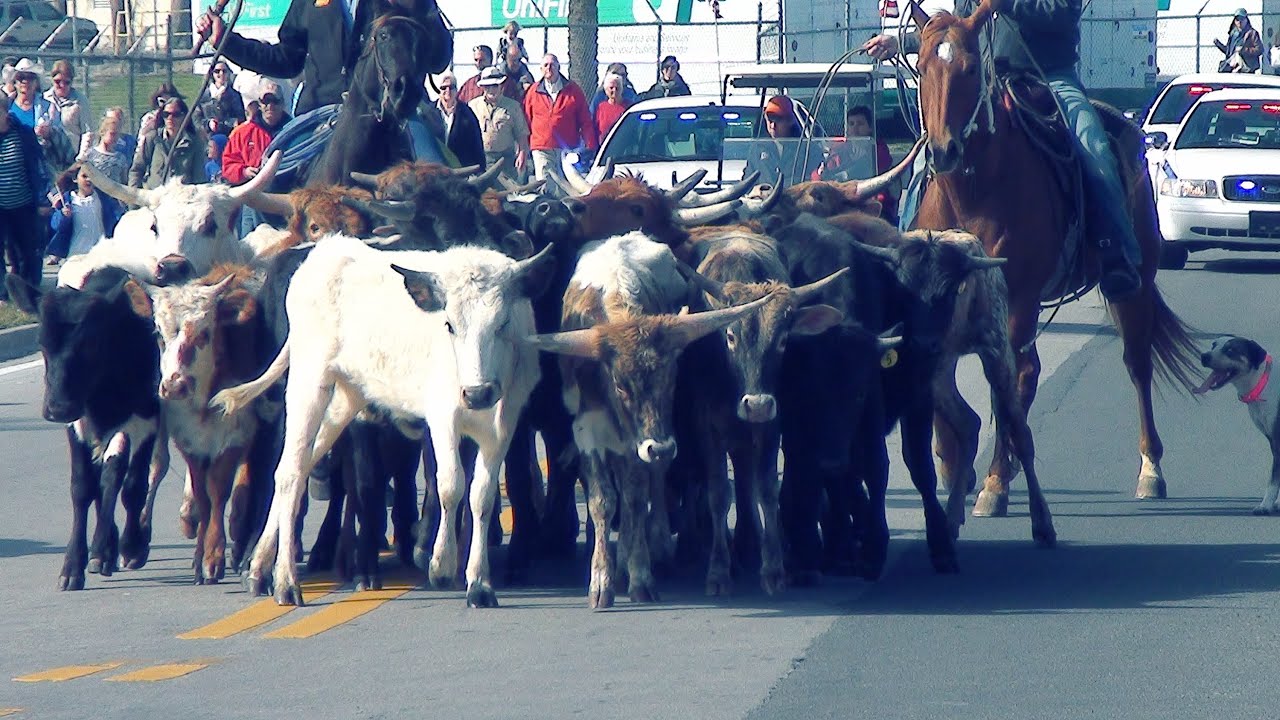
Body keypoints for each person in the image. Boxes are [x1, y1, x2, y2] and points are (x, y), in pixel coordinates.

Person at [862, 0, 1142, 301]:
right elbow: (960, 29)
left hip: (1052, 78)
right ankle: (906, 251)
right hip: (987, 77)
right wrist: (901, 42)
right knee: (924, 159)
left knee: (1093, 145)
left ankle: (1115, 251)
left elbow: (1063, 11)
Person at [193, 0, 452, 118]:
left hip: (393, 115)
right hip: (320, 114)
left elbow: (439, 60)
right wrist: (225, 41)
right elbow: (286, 59)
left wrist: (419, 7)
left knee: (440, 185)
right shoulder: (308, 3)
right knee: (265, 189)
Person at [0, 93, 52, 300]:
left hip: (24, 204)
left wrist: (42, 199)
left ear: (5, 113)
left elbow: (38, 167)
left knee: (27, 251)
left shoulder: (22, 134)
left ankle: (28, 291)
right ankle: (3, 294)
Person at [524, 54, 596, 185]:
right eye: (545, 65)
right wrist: (525, 146)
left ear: (559, 67)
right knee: (544, 185)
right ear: (540, 69)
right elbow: (527, 119)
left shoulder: (573, 90)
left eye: (552, 65)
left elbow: (585, 120)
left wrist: (590, 145)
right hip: (541, 147)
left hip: (567, 149)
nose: (549, 68)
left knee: (567, 185)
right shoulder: (533, 91)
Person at [816, 105, 898, 220]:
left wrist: (843, 174)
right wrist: (822, 173)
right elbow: (826, 171)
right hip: (842, 202)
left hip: (872, 202)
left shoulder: (879, 149)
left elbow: (875, 167)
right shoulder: (839, 150)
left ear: (870, 128)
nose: (855, 128)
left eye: (860, 124)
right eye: (851, 124)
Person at [46, 163, 122, 264]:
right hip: (75, 254)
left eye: (92, 176)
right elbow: (55, 225)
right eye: (84, 176)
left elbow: (116, 219)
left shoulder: (103, 199)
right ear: (75, 178)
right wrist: (64, 216)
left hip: (100, 254)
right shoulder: (67, 200)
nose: (89, 180)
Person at [9, 60, 74, 172]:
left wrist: (49, 133)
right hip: (12, 165)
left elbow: (61, 136)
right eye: (20, 77)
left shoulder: (49, 107)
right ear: (14, 81)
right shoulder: (6, 106)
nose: (25, 81)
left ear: (36, 82)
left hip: (41, 166)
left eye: (30, 77)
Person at [130, 96, 207, 189]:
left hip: (182, 198)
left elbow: (199, 178)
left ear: (184, 117)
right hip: (155, 199)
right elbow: (137, 170)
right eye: (166, 114)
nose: (170, 118)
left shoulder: (195, 143)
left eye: (176, 114)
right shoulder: (152, 138)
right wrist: (134, 198)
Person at [746, 95, 823, 187]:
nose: (773, 126)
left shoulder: (809, 150)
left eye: (778, 120)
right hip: (765, 200)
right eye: (770, 120)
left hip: (795, 200)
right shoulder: (757, 149)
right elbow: (747, 181)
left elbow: (817, 185)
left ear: (790, 120)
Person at [222, 82, 291, 185]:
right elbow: (228, 166)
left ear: (282, 103)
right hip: (250, 190)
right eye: (266, 101)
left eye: (275, 101)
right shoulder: (242, 133)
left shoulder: (294, 131)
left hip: (285, 190)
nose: (270, 106)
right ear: (259, 104)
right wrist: (244, 172)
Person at [469, 66, 530, 180]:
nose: (491, 89)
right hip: (481, 160)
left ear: (501, 86)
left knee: (509, 194)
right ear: (482, 87)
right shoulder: (473, 106)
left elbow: (521, 134)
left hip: (506, 161)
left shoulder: (513, 106)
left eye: (495, 85)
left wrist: (522, 154)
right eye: (488, 86)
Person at [435, 71, 485, 169]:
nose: (447, 90)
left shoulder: (467, 114)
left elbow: (477, 145)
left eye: (451, 87)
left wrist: (480, 169)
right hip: (436, 172)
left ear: (457, 90)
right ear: (438, 90)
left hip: (461, 171)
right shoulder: (428, 112)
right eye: (443, 87)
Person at [44, 60, 93, 153]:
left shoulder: (80, 101)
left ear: (72, 81)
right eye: (57, 81)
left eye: (66, 82)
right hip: (49, 157)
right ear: (52, 80)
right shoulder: (44, 98)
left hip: (72, 156)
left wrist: (81, 158)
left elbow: (87, 132)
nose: (62, 85)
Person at [195, 60, 246, 136]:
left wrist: (231, 123)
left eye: (224, 71)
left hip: (228, 136)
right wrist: (208, 124)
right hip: (207, 138)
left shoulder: (235, 95)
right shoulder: (203, 95)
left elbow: (241, 118)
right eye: (217, 71)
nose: (221, 73)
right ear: (212, 73)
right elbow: (196, 119)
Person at [81, 116, 130, 185]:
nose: (116, 137)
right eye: (112, 134)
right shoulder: (90, 154)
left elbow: (124, 181)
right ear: (102, 132)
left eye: (118, 134)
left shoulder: (120, 158)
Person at [1216, 9, 1263, 73]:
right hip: (1233, 67)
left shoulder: (1252, 33)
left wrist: (1244, 50)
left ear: (1246, 20)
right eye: (1237, 19)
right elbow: (1229, 52)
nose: (1239, 21)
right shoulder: (1233, 34)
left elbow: (1260, 50)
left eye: (1242, 19)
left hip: (1247, 68)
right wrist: (1219, 45)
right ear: (1234, 21)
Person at [594, 72, 630, 140]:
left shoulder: (628, 107)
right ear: (606, 90)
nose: (614, 90)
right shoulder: (601, 107)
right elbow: (596, 129)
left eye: (617, 88)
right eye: (611, 88)